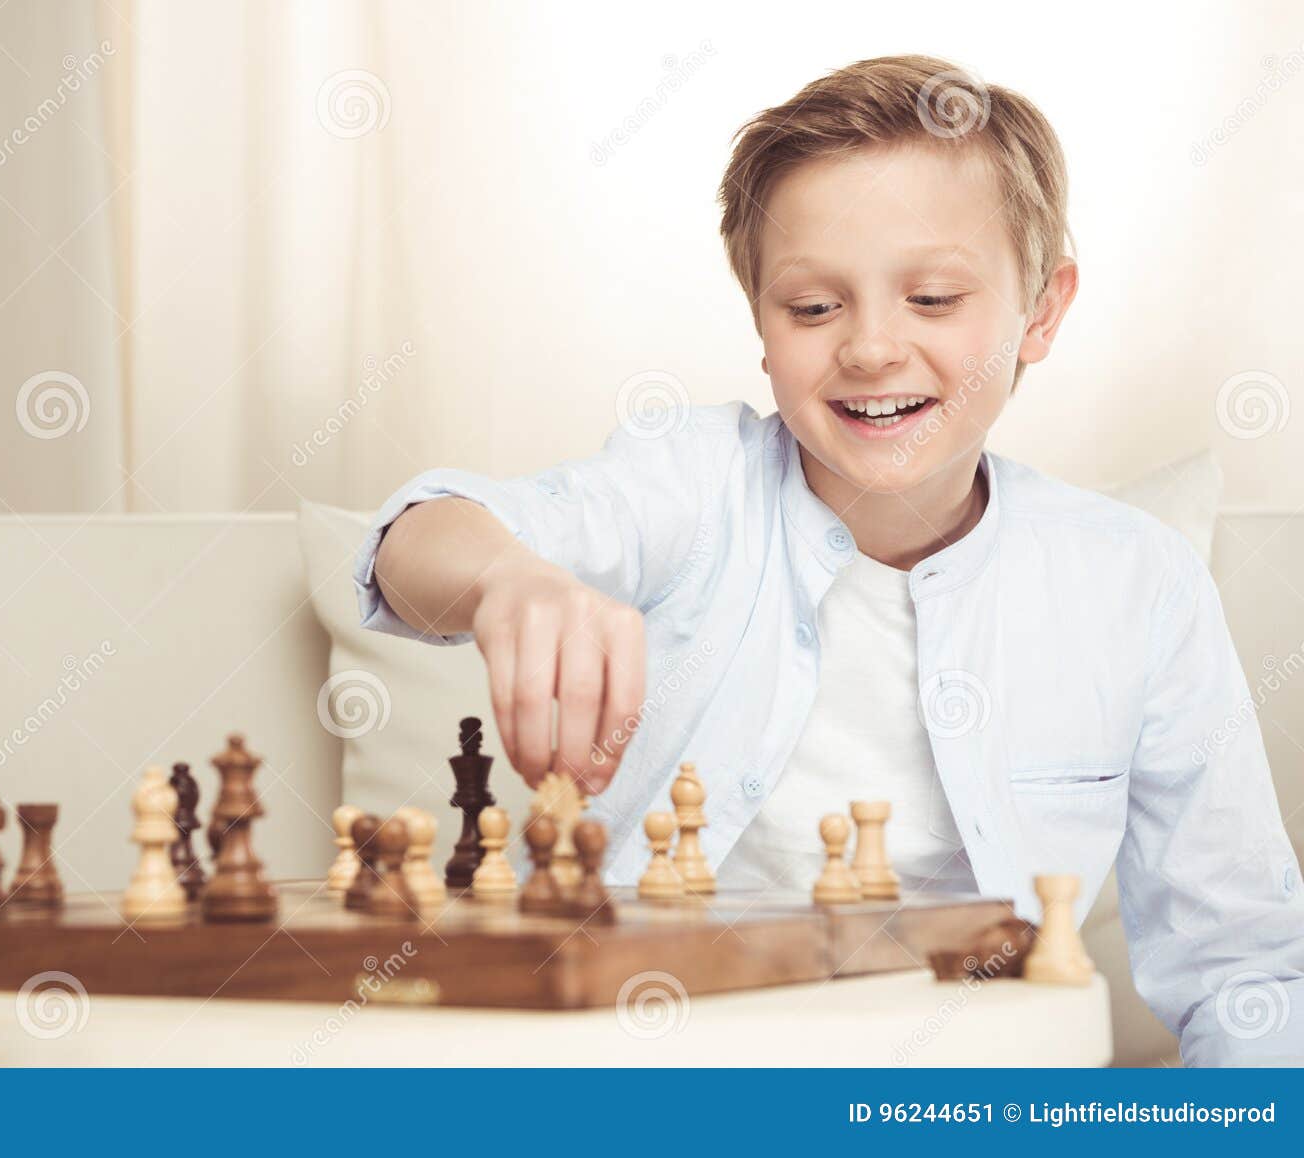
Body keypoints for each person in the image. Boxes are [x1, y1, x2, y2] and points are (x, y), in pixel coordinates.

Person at [351, 54, 1302, 1065]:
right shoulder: (691, 485)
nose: (870, 348)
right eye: (812, 308)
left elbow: (1243, 966)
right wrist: (506, 579)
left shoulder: (1137, 584)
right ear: (761, 327)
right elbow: (413, 542)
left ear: (1041, 311)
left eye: (932, 297)